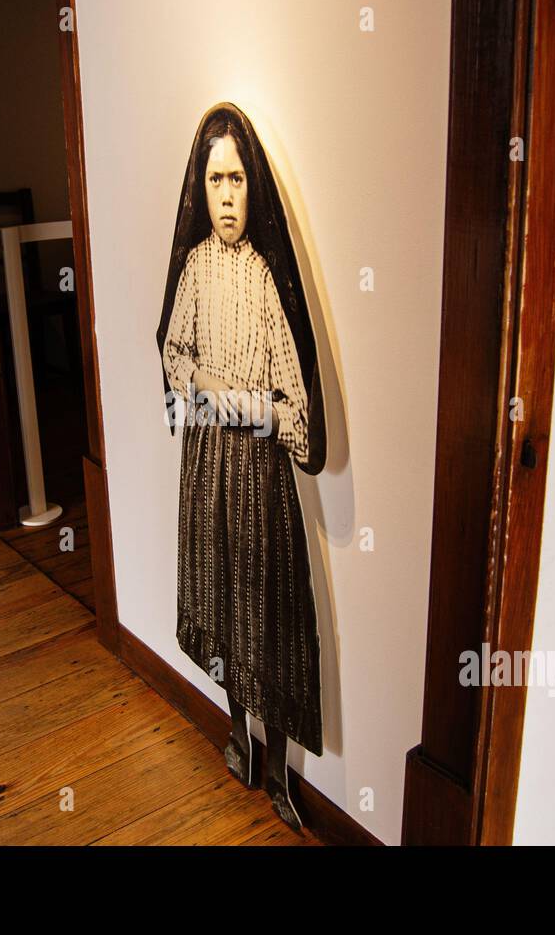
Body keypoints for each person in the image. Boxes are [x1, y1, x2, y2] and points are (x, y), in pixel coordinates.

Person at [156, 103, 325, 830]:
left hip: (256, 475)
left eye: (237, 179)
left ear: (254, 188)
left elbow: (298, 412)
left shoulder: (263, 281)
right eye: (215, 179)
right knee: (223, 600)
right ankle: (238, 738)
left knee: (273, 619)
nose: (226, 196)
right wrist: (208, 389)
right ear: (201, 186)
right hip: (206, 468)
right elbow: (173, 353)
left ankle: (281, 771)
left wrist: (235, 403)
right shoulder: (195, 267)